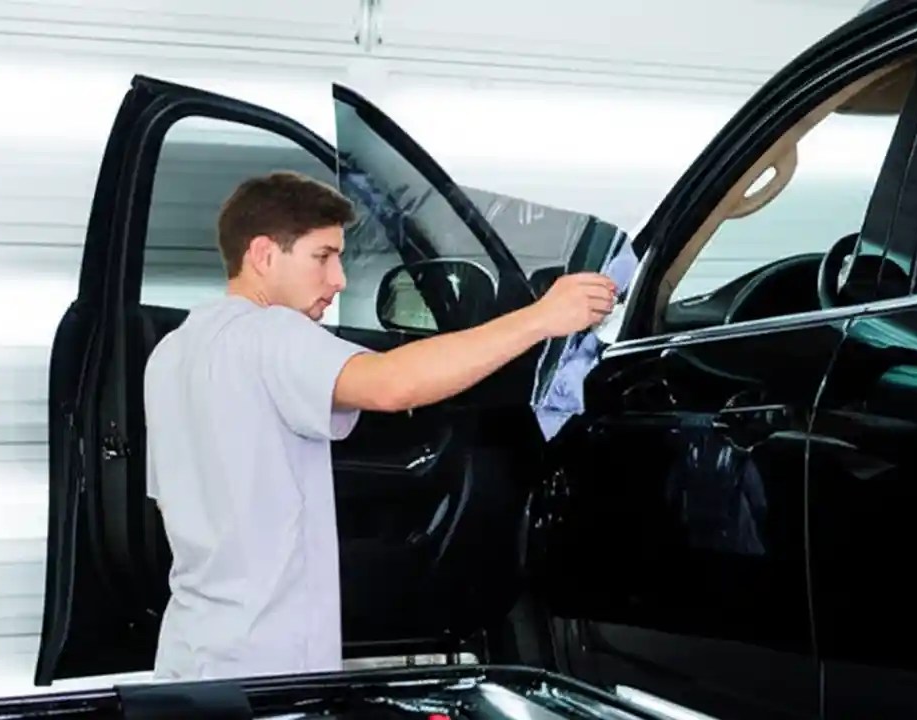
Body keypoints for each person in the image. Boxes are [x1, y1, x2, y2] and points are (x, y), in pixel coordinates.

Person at [143, 170, 617, 682]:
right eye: (322, 256)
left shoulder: (172, 352)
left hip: (189, 653)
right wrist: (540, 318)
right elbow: (393, 383)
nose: (338, 279)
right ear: (263, 255)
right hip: (267, 665)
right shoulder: (271, 333)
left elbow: (171, 499)